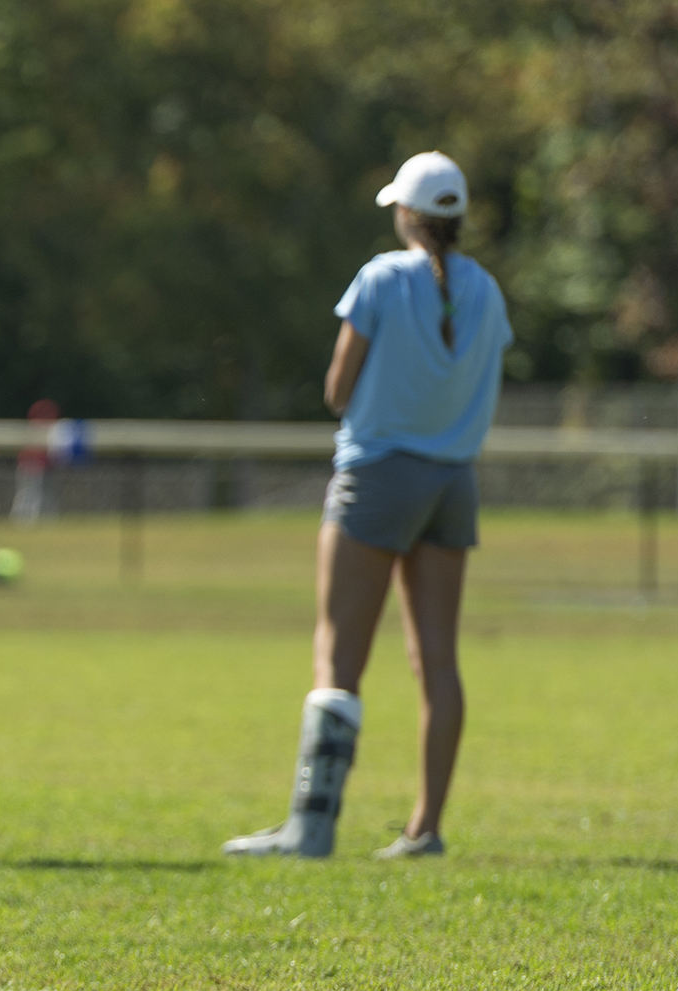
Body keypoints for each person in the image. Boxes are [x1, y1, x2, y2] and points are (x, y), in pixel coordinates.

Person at [224, 151, 511, 860]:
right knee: (436, 662)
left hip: (379, 475)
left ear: (405, 214)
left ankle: (310, 827)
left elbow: (337, 387)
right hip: (453, 483)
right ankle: (425, 829)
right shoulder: (487, 289)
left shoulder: (382, 277)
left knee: (338, 655)